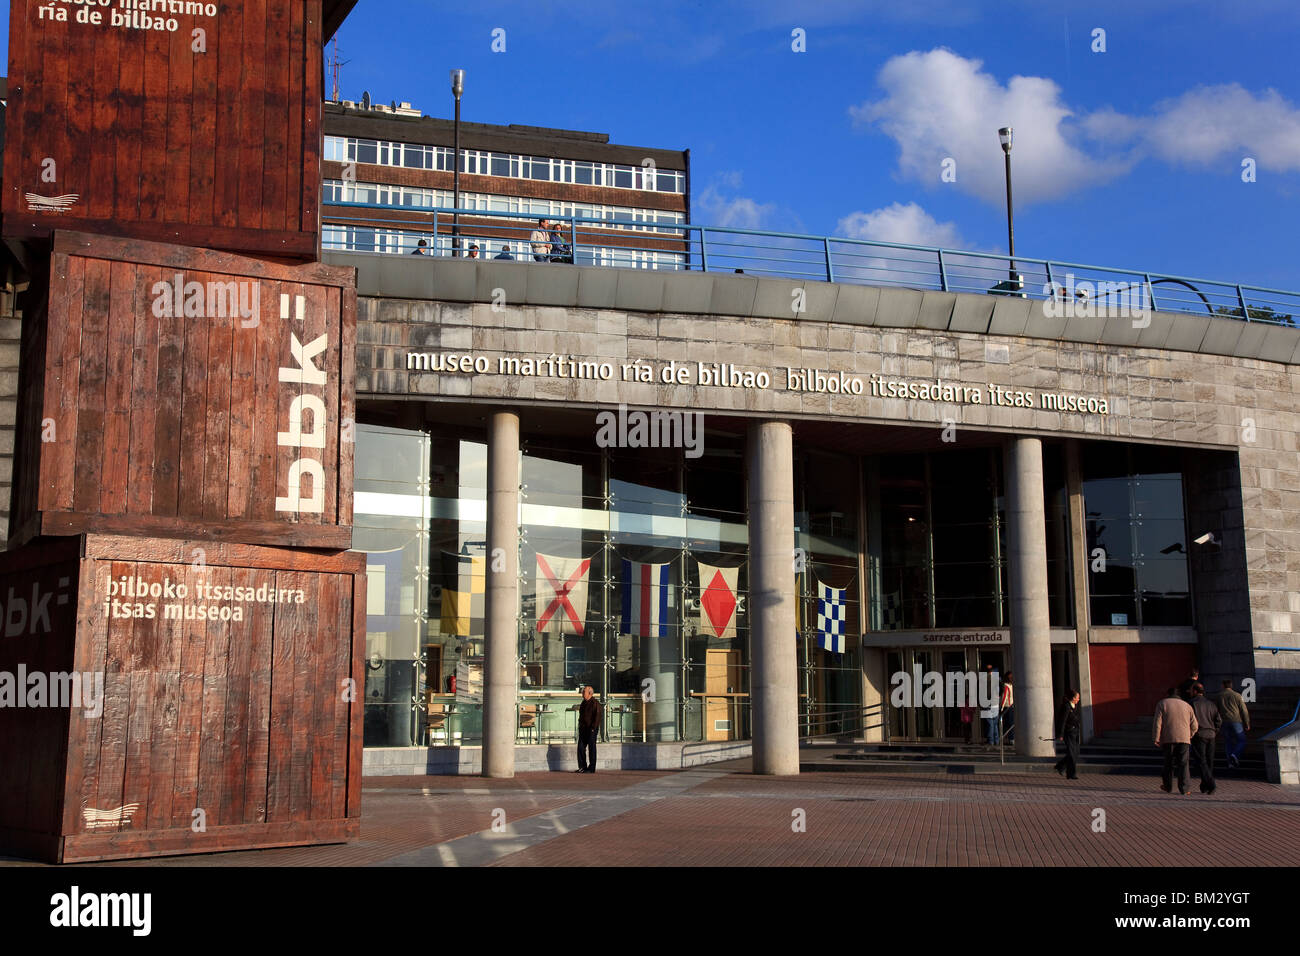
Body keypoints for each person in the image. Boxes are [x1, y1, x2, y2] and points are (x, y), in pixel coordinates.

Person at [1153, 687, 1198, 795]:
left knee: (1168, 763)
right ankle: (1185, 789)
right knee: (1184, 764)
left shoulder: (1162, 703)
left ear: (1168, 694)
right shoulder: (1187, 705)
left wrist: (1156, 737)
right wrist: (1189, 735)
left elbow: (1158, 722)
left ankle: (1167, 786)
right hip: (1184, 739)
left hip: (1168, 738)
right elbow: (1195, 725)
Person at [1189, 683, 1221, 794]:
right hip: (1211, 734)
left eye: (1191, 690)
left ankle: (1211, 784)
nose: (1190, 692)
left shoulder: (1192, 703)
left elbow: (1190, 720)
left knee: (1201, 761)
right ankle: (1204, 785)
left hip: (1199, 734)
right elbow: (1218, 720)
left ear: (1195, 691)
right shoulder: (1211, 704)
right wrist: (1215, 731)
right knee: (1209, 761)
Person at [1217, 679, 1250, 768]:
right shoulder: (1237, 695)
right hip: (1236, 721)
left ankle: (1230, 763)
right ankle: (1235, 755)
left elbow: (1216, 710)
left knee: (1228, 742)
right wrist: (1247, 723)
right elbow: (1244, 710)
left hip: (1224, 721)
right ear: (1231, 686)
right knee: (1242, 740)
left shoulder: (1219, 696)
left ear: (1223, 685)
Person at [1054, 689, 1081, 779]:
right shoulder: (1066, 707)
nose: (1078, 699)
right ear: (1073, 698)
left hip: (1075, 732)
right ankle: (1071, 774)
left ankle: (1061, 765)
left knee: (1075, 752)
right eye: (1077, 697)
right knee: (1072, 753)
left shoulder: (1074, 706)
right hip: (1069, 732)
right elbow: (1062, 721)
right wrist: (1060, 734)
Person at [575, 684, 602, 773]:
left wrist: (593, 728)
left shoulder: (595, 703)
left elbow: (597, 716)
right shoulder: (583, 703)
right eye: (583, 691)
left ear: (590, 693)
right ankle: (582, 767)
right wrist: (580, 725)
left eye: (584, 691)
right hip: (583, 729)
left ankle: (591, 768)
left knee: (591, 748)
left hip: (591, 729)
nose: (582, 693)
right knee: (580, 748)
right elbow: (581, 716)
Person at [981, 664, 999, 746]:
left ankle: (991, 741)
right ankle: (996, 740)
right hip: (995, 704)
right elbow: (1001, 689)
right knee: (994, 724)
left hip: (987, 704)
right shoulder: (997, 679)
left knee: (990, 724)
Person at [1000, 671, 1015, 745]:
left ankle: (1011, 739)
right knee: (1011, 723)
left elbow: (1004, 697)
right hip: (1012, 706)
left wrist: (1001, 707)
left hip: (1007, 706)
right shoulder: (1012, 685)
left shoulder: (1006, 685)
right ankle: (1011, 739)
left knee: (1008, 723)